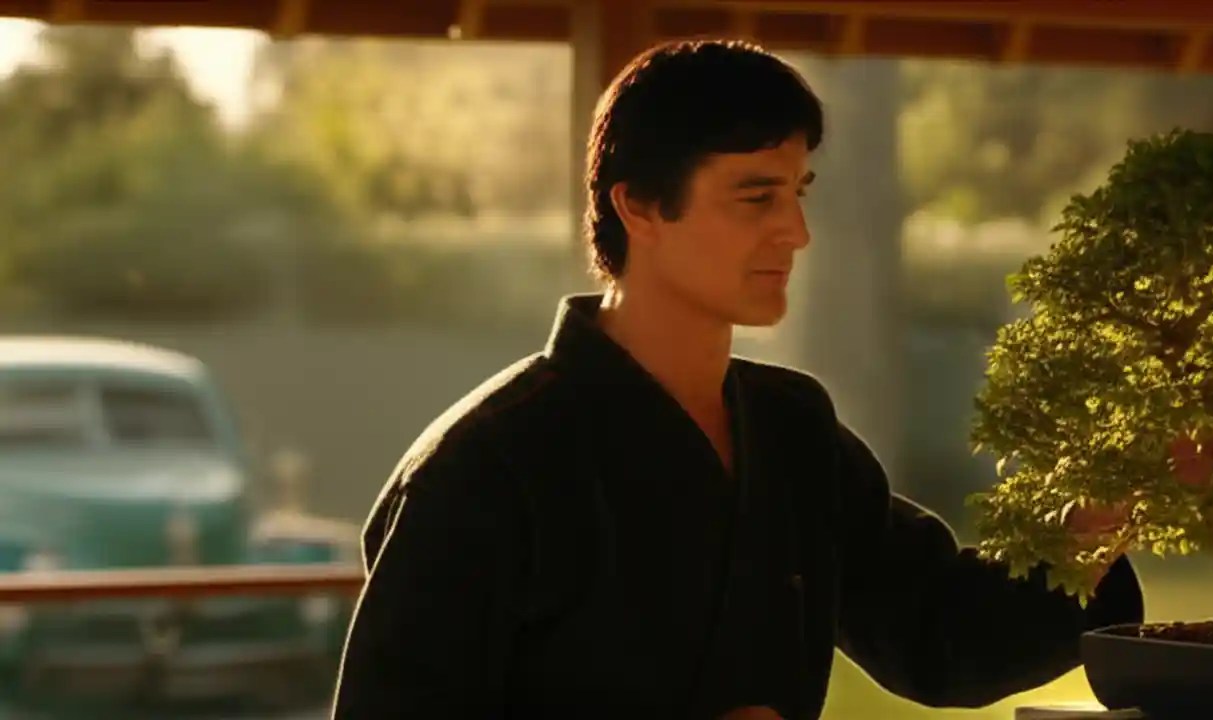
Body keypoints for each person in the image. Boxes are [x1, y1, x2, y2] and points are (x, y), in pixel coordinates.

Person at [330, 39, 1143, 720]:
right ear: (640, 206)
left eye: (797, 194)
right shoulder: (483, 466)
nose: (794, 231)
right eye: (756, 196)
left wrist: (1084, 534)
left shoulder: (792, 432)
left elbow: (935, 634)